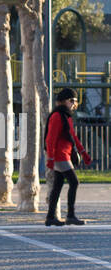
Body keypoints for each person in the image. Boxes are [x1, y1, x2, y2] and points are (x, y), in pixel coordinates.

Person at [45, 86, 90, 225]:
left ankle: (50, 217)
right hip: (59, 155)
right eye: (72, 100)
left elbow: (73, 136)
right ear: (64, 101)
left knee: (58, 186)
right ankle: (70, 215)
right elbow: (50, 138)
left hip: (65, 154)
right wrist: (51, 157)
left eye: (75, 101)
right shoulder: (57, 116)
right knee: (74, 182)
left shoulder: (66, 116)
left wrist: (83, 152)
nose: (74, 103)